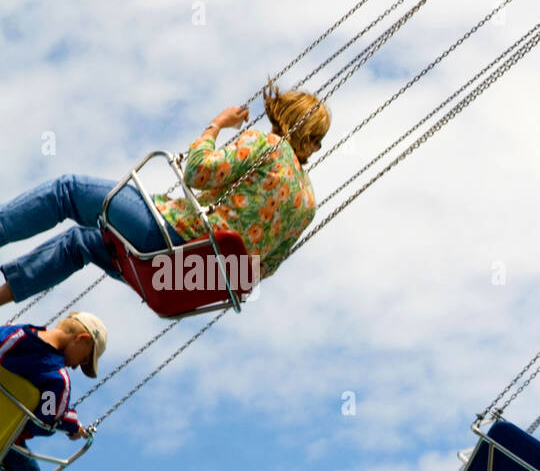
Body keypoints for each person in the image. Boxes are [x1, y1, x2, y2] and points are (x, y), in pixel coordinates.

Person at [0, 84, 329, 308]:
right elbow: (261, 268)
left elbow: (198, 172)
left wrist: (215, 126)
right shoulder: (308, 205)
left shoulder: (268, 146)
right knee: (81, 242)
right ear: (313, 139)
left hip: (169, 240)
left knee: (68, 191)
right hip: (178, 282)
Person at [0, 312, 106, 471]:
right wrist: (72, 424)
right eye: (84, 359)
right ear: (83, 338)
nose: (77, 366)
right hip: (3, 436)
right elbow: (44, 423)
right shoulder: (57, 379)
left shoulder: (12, 332)